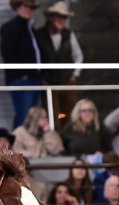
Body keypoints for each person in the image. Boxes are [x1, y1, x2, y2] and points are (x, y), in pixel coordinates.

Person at [33, 1, 83, 129]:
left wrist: (74, 75)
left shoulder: (68, 34)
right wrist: (40, 77)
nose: (62, 20)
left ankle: (69, 142)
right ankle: (56, 142)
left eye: (64, 17)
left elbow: (78, 56)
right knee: (53, 115)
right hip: (49, 82)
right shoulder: (39, 35)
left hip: (67, 80)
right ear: (51, 17)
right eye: (59, 16)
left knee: (69, 113)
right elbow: (34, 58)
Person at [0, 0, 43, 129]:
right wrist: (21, 73)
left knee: (33, 117)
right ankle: (18, 145)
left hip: (34, 78)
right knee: (24, 114)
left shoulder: (31, 28)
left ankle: (30, 145)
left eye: (32, 7)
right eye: (26, 6)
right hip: (22, 79)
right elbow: (7, 52)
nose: (29, 10)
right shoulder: (11, 27)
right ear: (18, 7)